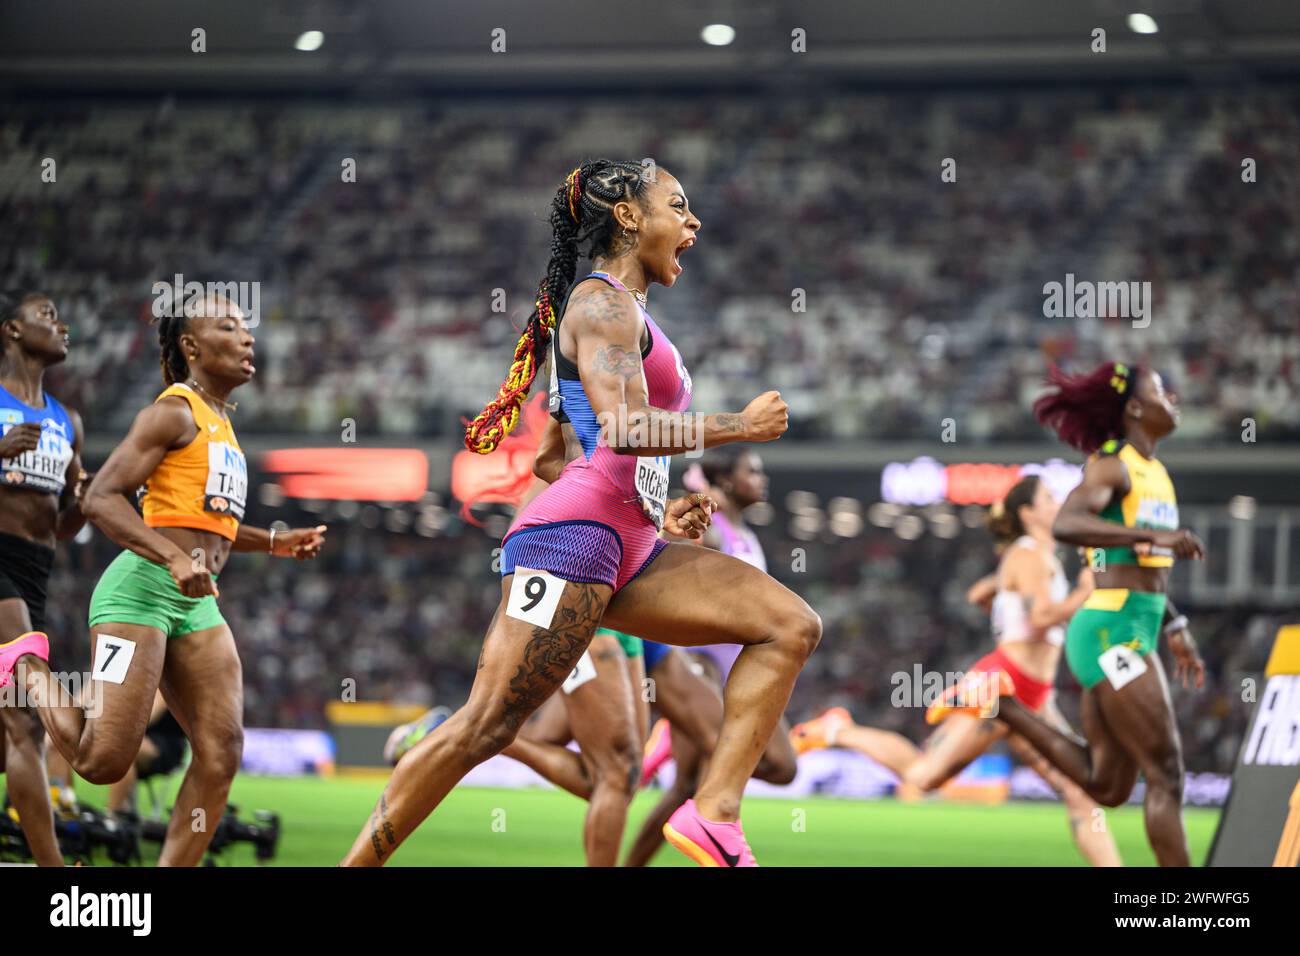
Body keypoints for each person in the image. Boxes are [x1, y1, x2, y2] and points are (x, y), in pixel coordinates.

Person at [343, 159, 820, 868]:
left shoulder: (626, 314)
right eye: (678, 207)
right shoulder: (601, 306)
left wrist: (658, 513)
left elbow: (554, 457)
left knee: (790, 626)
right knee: (487, 727)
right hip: (571, 542)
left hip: (629, 542)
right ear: (628, 216)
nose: (693, 223)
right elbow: (625, 429)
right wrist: (737, 427)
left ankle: (715, 813)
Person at [3, 294, 328, 866]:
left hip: (196, 603)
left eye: (247, 327)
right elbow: (102, 497)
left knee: (222, 752)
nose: (247, 337)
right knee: (102, 761)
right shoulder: (172, 413)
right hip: (140, 592)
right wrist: (173, 560)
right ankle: (26, 667)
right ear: (192, 346)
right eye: (229, 327)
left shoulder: (221, 423)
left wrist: (274, 541)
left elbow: (206, 525)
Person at [791, 476, 1122, 866]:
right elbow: (1040, 616)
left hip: (1034, 693)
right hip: (1002, 691)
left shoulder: (1035, 557)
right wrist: (1086, 592)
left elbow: (979, 595)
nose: (1058, 504)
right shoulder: (1030, 557)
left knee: (1080, 790)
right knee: (923, 776)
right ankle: (837, 729)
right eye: (1049, 498)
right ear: (1028, 513)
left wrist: (1001, 599)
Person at [959, 362, 1205, 867]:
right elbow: (1071, 523)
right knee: (1167, 772)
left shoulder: (1154, 472)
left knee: (1107, 785)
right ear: (1135, 408)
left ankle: (1003, 707)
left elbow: (1136, 568)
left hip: (1132, 625)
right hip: (1111, 633)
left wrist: (1174, 622)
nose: (1172, 397)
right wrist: (1149, 536)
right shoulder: (1110, 466)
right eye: (1161, 390)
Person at [0, 290, 86, 866]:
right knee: (23, 717)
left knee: (7, 727)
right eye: (48, 315)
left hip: (35, 570)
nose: (62, 325)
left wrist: (83, 499)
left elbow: (62, 527)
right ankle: (55, 873)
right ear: (12, 329)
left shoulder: (67, 420)